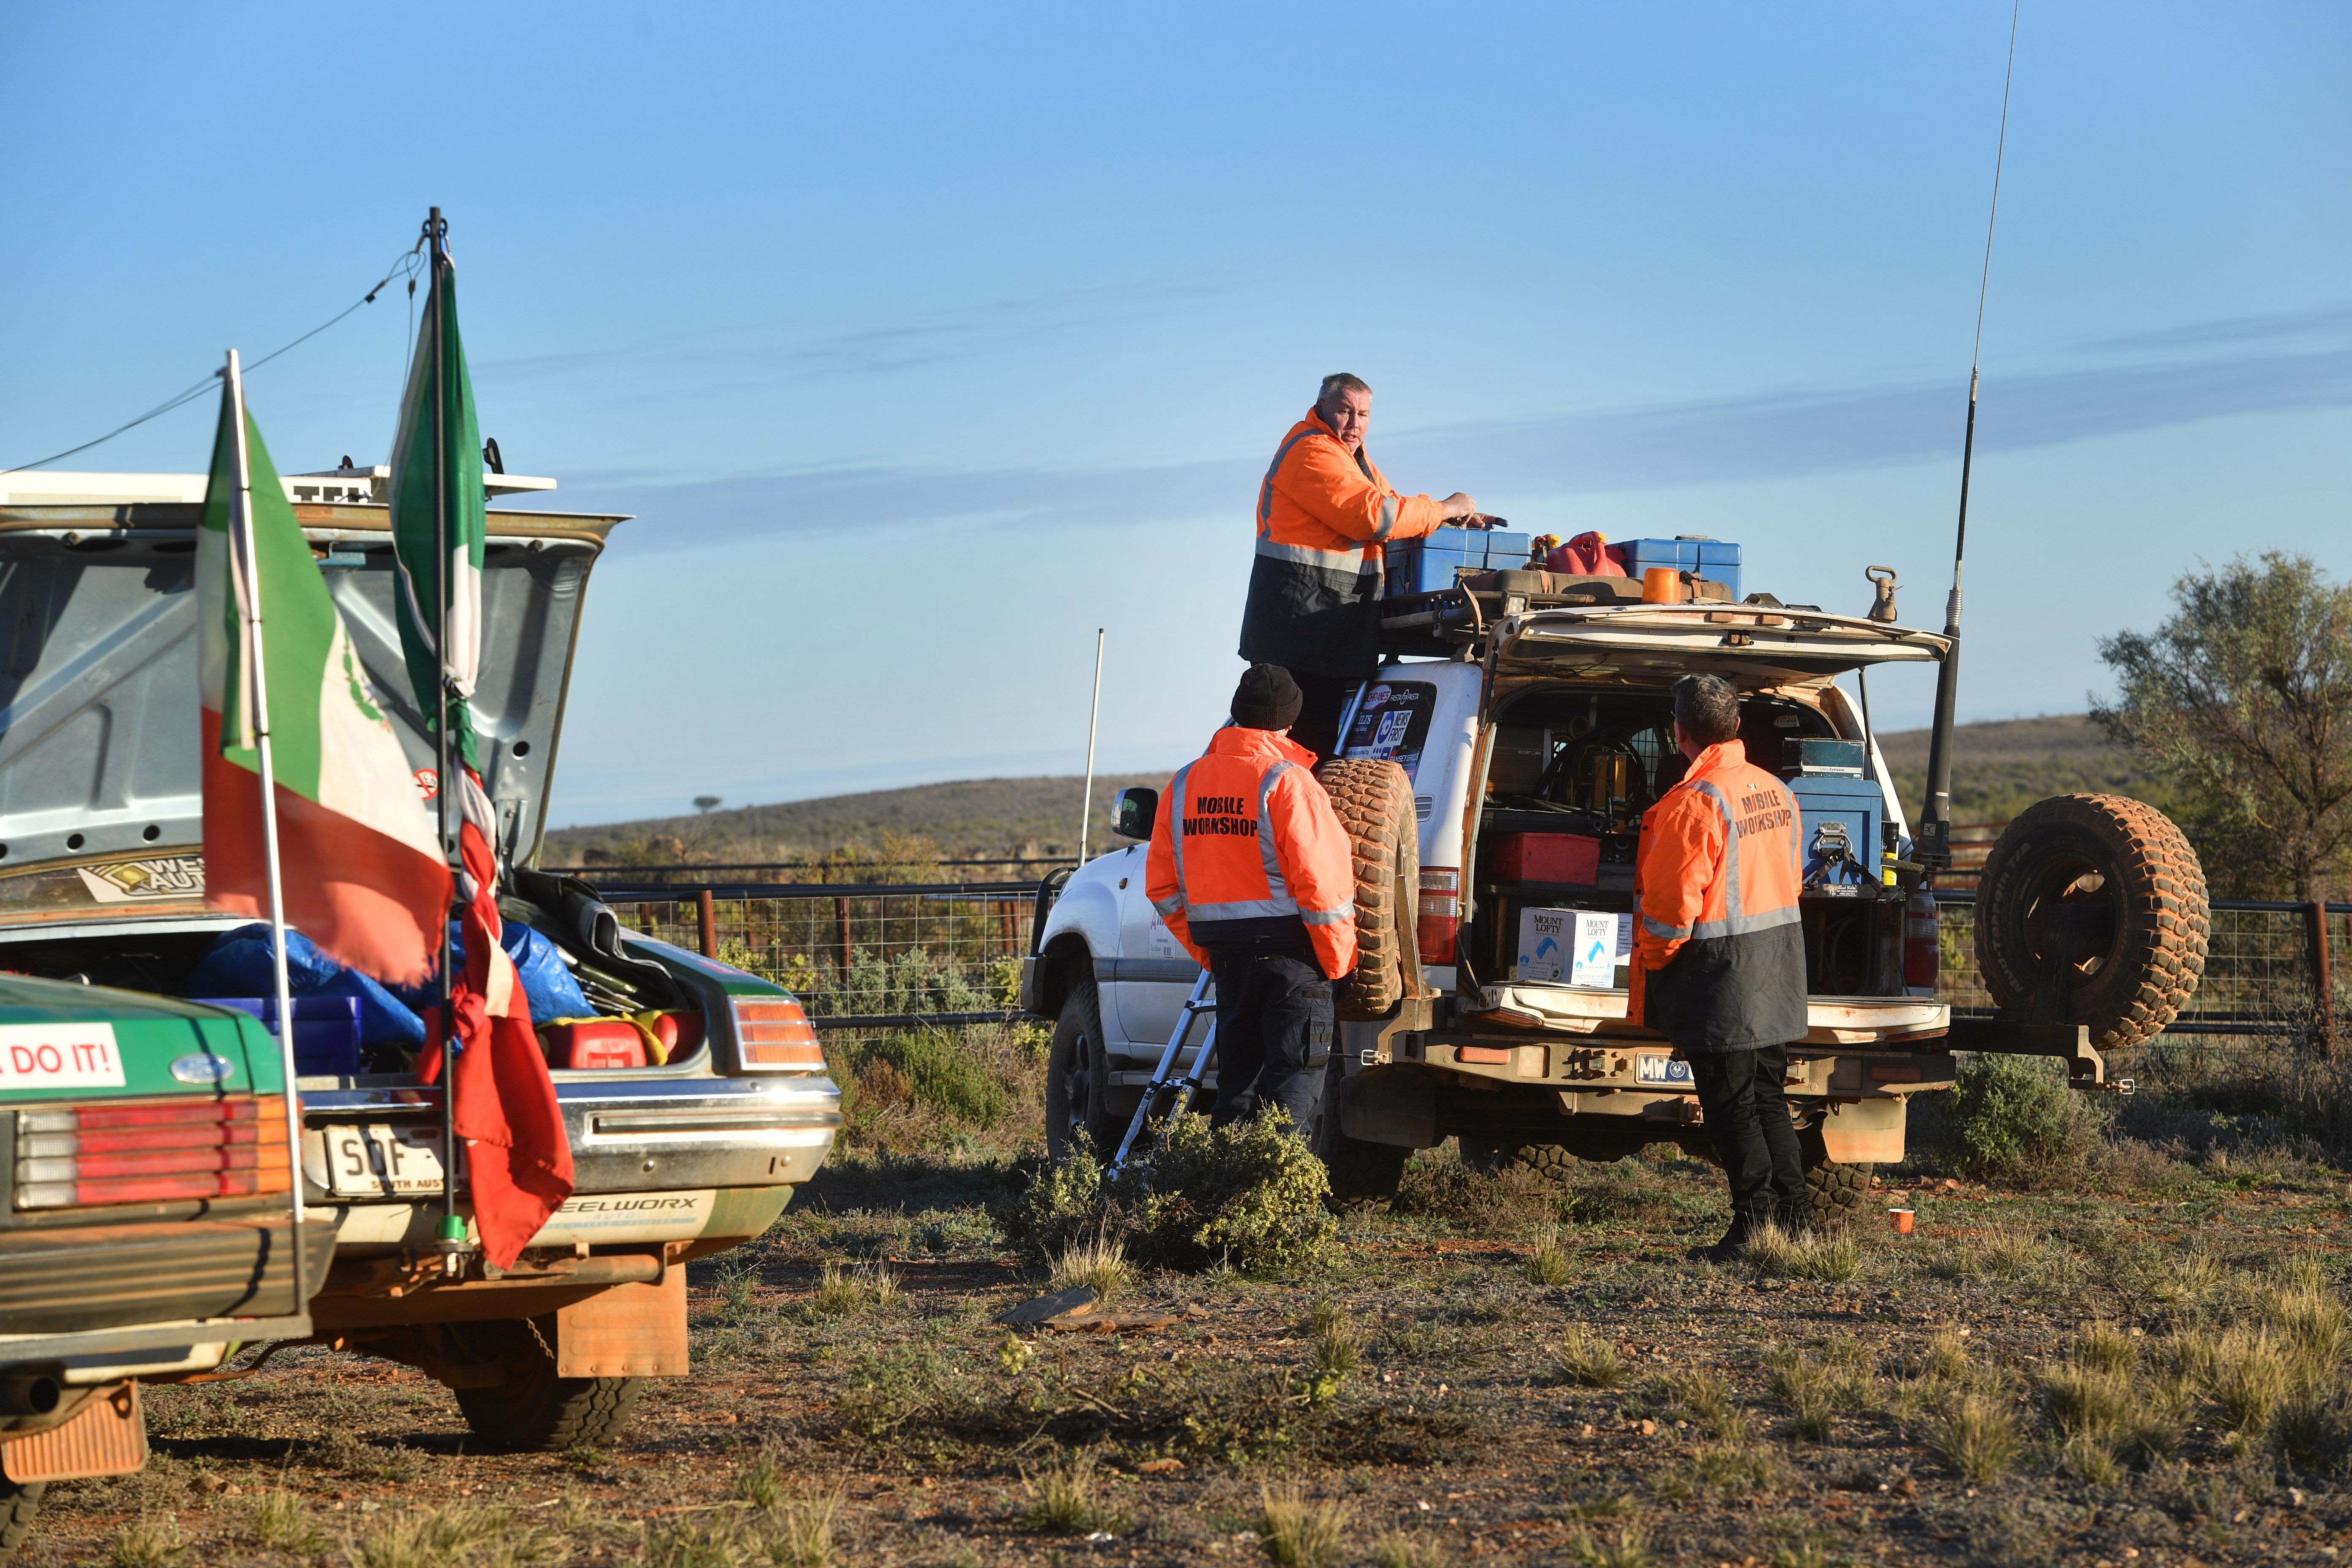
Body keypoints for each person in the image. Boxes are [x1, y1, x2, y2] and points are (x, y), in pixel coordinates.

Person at [1628, 674, 1810, 1262]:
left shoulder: (1695, 802)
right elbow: (1789, 881)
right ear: (1736, 727)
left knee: (1733, 1108)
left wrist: (1660, 966)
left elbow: (1668, 908)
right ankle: (1798, 1223)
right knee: (1769, 1099)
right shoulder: (1776, 791)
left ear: (1678, 732)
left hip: (1721, 976)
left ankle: (1755, 1229)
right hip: (1777, 966)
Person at [1144, 665, 1359, 1133]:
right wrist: (1338, 964)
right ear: (1288, 721)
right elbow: (1323, 889)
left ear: (1237, 715)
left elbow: (1161, 887)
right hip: (1293, 961)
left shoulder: (1183, 784)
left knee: (1237, 1090)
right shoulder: (1290, 783)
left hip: (1228, 962)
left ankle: (1224, 1195)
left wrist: (1209, 953)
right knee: (1292, 1089)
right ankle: (1271, 1197)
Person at [1237, 373, 1481, 761]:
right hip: (1297, 631)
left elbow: (1389, 505)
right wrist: (1447, 507)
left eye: (1363, 414)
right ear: (1322, 409)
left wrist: (1447, 519)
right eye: (1345, 412)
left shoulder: (1351, 459)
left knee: (1307, 754)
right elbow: (1374, 516)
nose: (1355, 424)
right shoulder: (1312, 450)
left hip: (1324, 629)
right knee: (1287, 757)